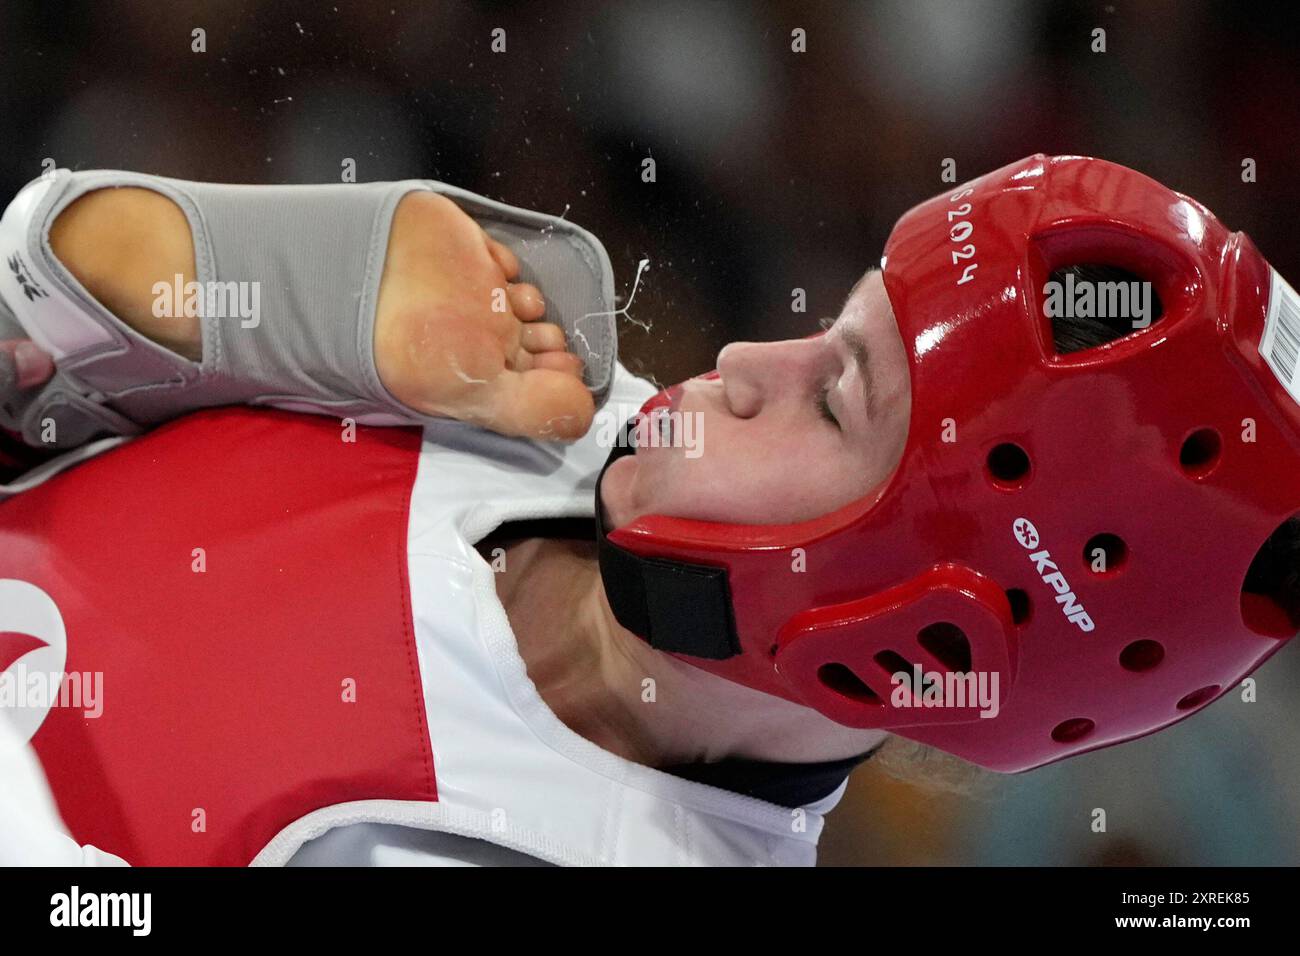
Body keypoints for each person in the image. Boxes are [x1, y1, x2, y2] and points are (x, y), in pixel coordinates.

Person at [0, 154, 1294, 865]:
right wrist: (150, 275)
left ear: (925, 623)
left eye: (835, 402)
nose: (740, 365)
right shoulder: (507, 367)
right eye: (824, 328)